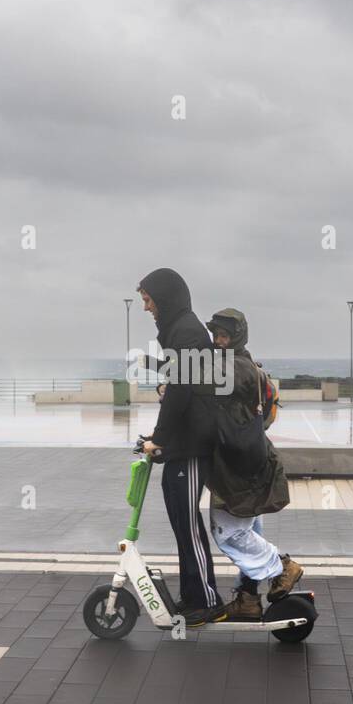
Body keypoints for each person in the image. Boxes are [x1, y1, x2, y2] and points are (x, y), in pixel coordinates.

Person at [136, 268, 227, 626]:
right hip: (181, 444)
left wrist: (158, 438)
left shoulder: (186, 330)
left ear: (165, 298)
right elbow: (179, 383)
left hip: (190, 446)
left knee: (188, 525)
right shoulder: (178, 330)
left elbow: (182, 390)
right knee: (181, 521)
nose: (146, 308)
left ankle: (207, 600)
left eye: (148, 300)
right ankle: (193, 595)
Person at [204, 309, 304, 620]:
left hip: (238, 470)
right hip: (250, 462)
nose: (219, 341)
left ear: (237, 337)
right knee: (250, 531)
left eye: (224, 336)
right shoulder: (239, 364)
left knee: (229, 533)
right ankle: (247, 600)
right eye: (215, 335)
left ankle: (282, 567)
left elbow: (207, 383)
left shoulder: (238, 368)